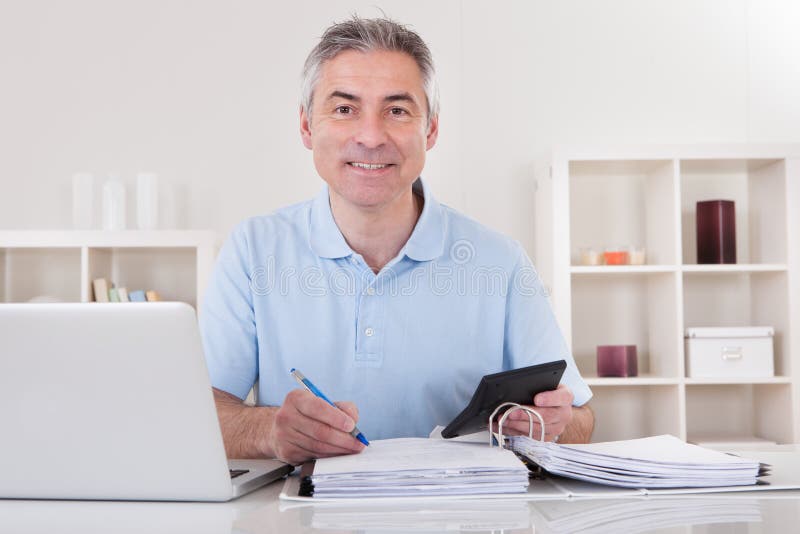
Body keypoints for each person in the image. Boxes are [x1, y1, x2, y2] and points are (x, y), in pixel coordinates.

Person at [200, 16, 594, 465]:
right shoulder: (253, 250)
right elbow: (200, 414)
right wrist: (269, 431)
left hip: (461, 504)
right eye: (344, 109)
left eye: (397, 111)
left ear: (431, 130)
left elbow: (581, 419)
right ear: (307, 126)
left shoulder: (500, 261)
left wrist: (548, 423)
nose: (371, 137)